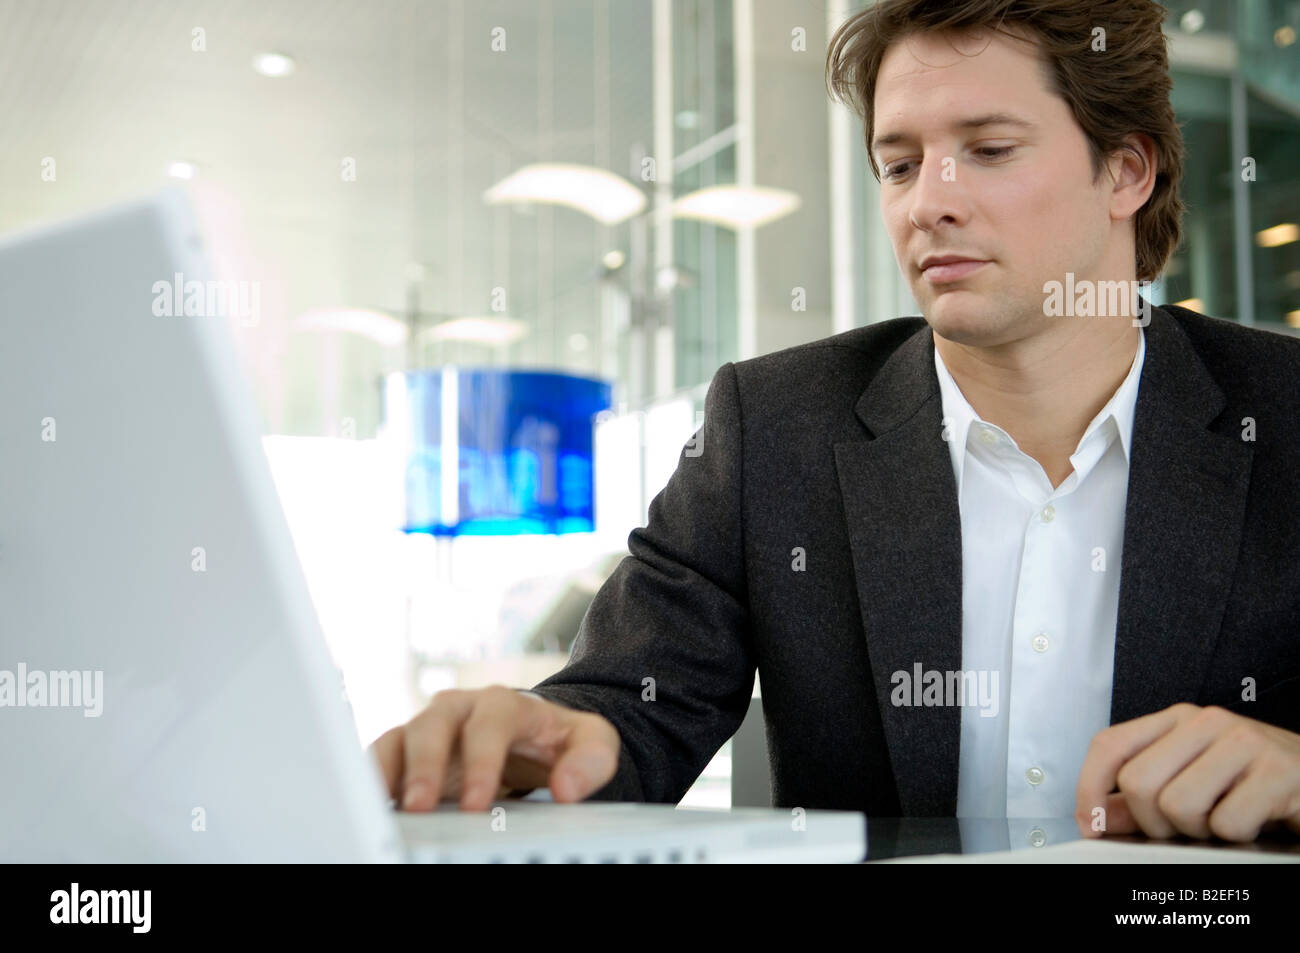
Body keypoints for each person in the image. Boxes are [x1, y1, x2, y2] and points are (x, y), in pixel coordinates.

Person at [372, 0, 1300, 842]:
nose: (928, 201)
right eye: (899, 164)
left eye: (988, 149)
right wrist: (542, 746)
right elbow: (628, 710)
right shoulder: (774, 428)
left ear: (1126, 171)